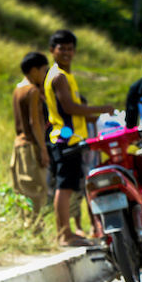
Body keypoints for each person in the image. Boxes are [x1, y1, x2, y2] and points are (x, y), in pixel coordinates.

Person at [43, 29, 114, 247]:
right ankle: (64, 234)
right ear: (52, 50)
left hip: (72, 139)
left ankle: (68, 232)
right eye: (61, 48)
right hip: (65, 141)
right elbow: (70, 107)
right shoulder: (59, 77)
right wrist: (102, 109)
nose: (66, 52)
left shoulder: (67, 76)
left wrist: (96, 119)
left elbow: (74, 111)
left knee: (70, 187)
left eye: (70, 48)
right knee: (64, 188)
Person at [10, 51, 50, 226]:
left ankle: (26, 226)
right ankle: (35, 229)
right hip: (31, 145)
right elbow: (35, 122)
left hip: (18, 146)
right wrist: (43, 149)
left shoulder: (18, 89)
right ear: (34, 71)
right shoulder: (32, 91)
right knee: (37, 190)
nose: (44, 75)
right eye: (43, 71)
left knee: (23, 190)